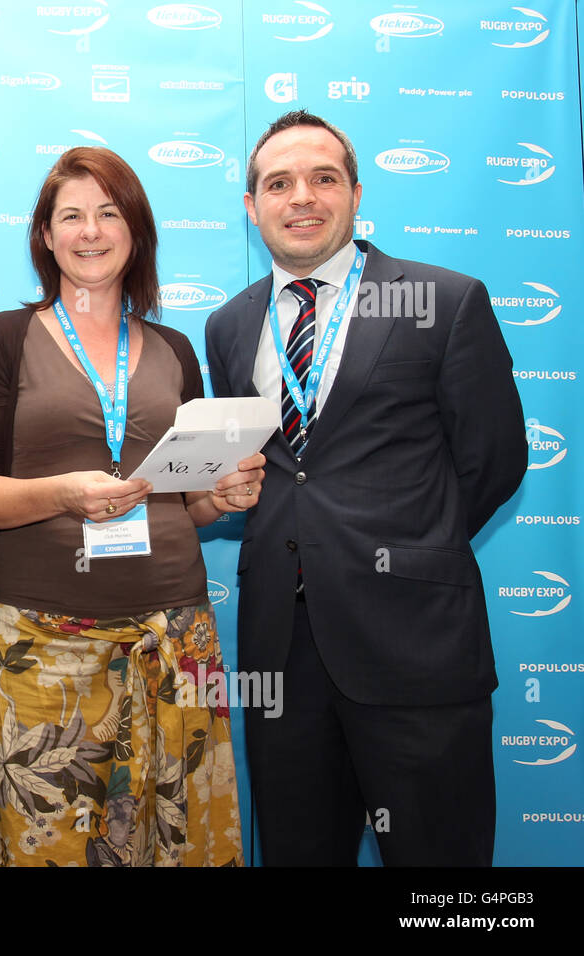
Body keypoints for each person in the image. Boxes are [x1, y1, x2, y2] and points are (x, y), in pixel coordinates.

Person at [204, 110, 527, 866]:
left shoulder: (444, 300)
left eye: (323, 178)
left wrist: (413, 548)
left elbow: (494, 461)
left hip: (414, 645)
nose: (301, 197)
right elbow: (260, 468)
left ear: (354, 193)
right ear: (253, 208)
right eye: (278, 183)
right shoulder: (230, 326)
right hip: (281, 656)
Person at [0, 147, 264, 867]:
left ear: (136, 231)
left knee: (180, 841)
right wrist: (64, 492)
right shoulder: (3, 338)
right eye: (71, 215)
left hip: (174, 635)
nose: (90, 231)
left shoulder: (175, 348)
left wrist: (217, 498)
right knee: (45, 848)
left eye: (108, 212)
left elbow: (184, 503)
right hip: (42, 642)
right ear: (44, 234)